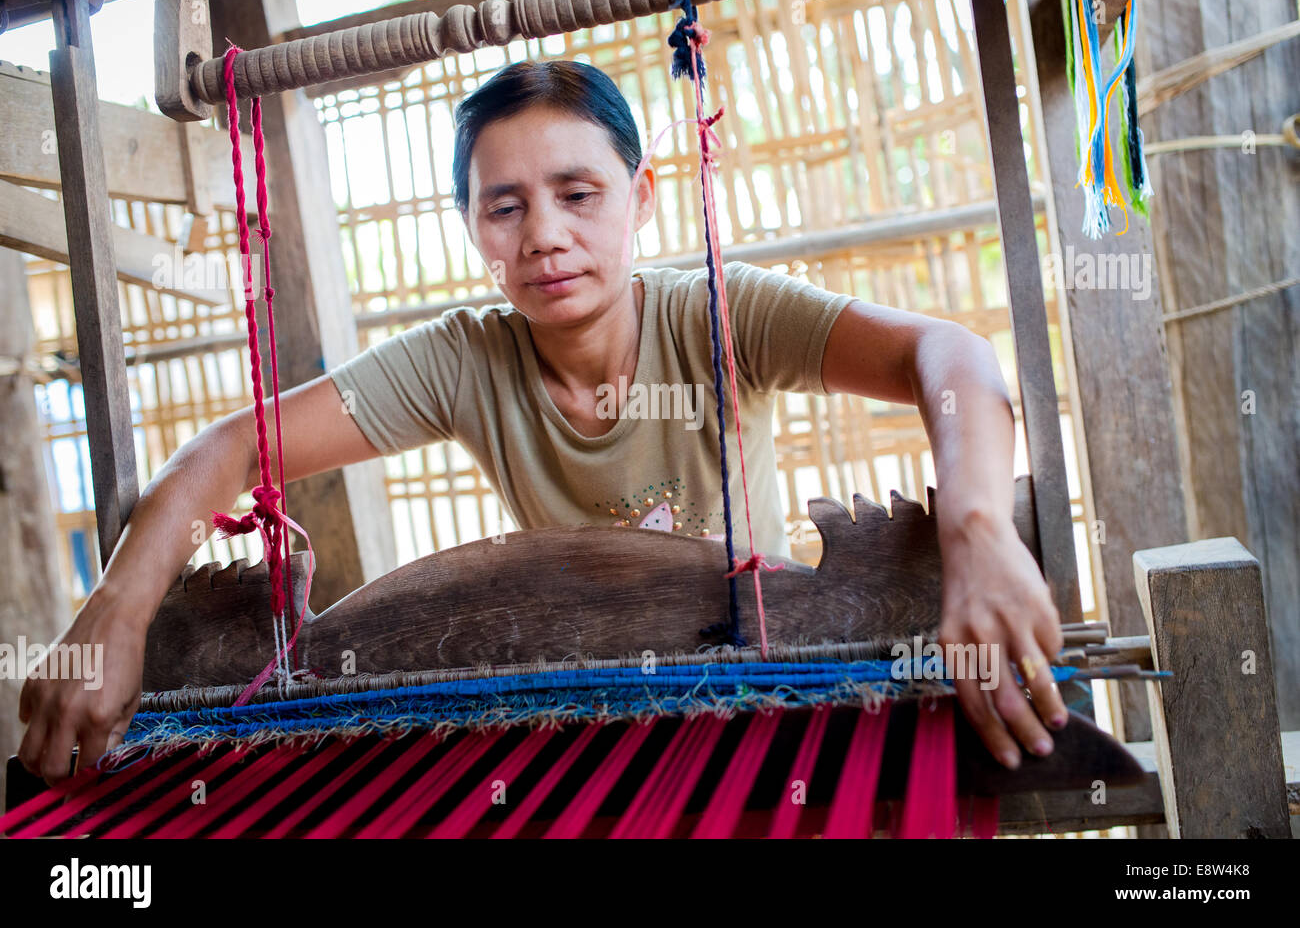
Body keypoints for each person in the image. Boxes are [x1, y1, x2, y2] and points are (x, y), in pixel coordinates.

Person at [18, 60, 1066, 786]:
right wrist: (117, 608)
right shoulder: (468, 359)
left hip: (755, 698)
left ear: (640, 196)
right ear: (473, 224)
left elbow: (953, 360)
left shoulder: (721, 312)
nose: (547, 238)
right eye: (505, 206)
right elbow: (234, 449)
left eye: (578, 193)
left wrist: (974, 533)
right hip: (583, 709)